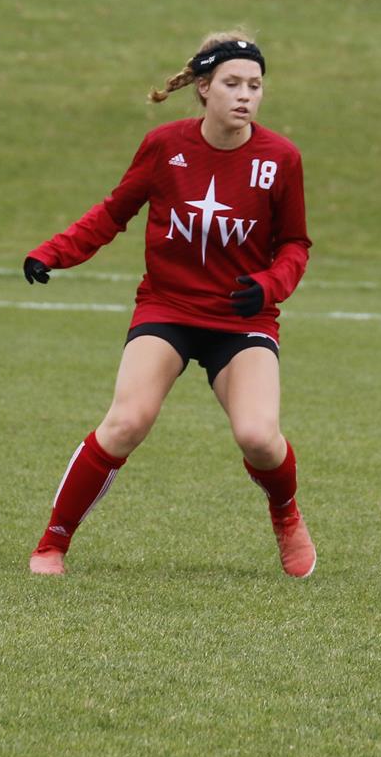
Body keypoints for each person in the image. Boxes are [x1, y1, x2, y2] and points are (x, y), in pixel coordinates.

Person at [21, 31, 314, 578]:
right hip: (167, 308)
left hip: (242, 317)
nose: (245, 94)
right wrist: (53, 254)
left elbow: (295, 244)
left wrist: (270, 285)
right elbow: (113, 213)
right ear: (204, 88)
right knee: (126, 421)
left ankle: (286, 515)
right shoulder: (164, 147)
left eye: (255, 85)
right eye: (232, 83)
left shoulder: (281, 159)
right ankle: (52, 543)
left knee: (258, 437)